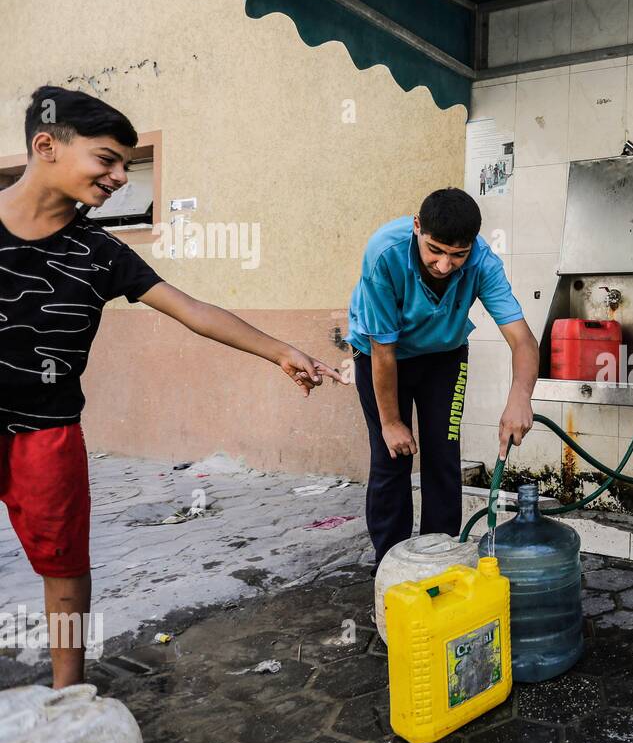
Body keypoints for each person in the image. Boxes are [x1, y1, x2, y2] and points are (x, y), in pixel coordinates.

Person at [0, 86, 341, 687]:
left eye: (126, 167)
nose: (117, 178)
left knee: (65, 566)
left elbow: (193, 311)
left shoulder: (100, 252)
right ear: (46, 145)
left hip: (47, 436)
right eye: (106, 159)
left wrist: (279, 351)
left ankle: (69, 691)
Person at [346, 188, 537, 570]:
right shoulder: (384, 253)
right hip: (381, 357)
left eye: (458, 255)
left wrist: (520, 397)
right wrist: (391, 422)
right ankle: (392, 566)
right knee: (391, 459)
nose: (445, 265)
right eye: (435, 250)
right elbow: (383, 348)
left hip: (444, 358)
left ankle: (440, 558)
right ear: (417, 227)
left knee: (443, 456)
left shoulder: (483, 262)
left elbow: (523, 339)